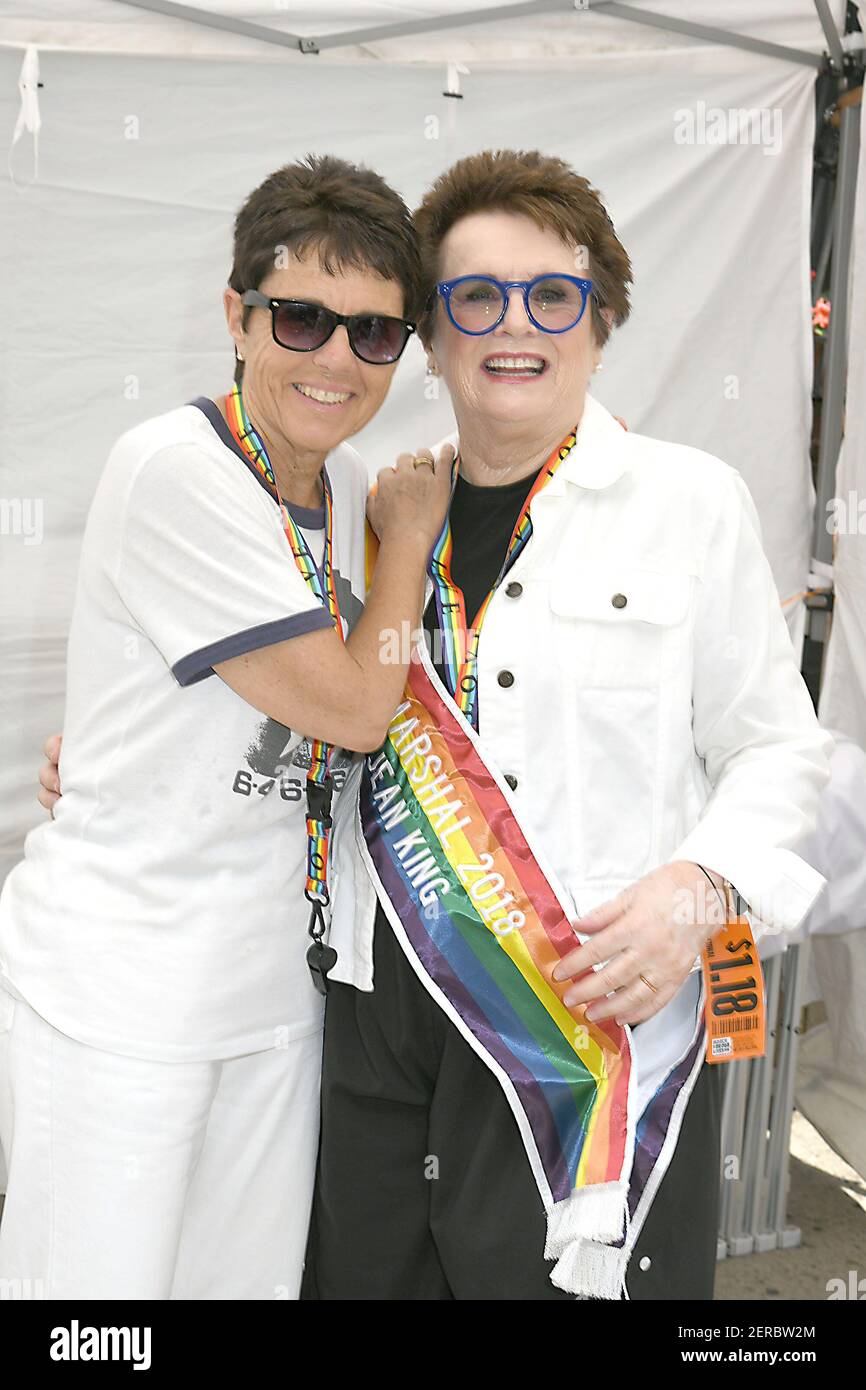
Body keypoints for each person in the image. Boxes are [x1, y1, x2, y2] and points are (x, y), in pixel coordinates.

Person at [299, 149, 834, 1301]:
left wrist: (697, 891)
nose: (515, 326)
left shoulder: (687, 503)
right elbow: (298, 718)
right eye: (474, 296)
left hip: (586, 1036)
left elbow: (783, 756)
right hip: (376, 1031)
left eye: (553, 296)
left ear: (599, 322)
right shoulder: (361, 513)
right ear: (432, 337)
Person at [0, 153, 452, 1300]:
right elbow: (355, 708)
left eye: (373, 334)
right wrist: (405, 544)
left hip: (274, 988)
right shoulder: (174, 468)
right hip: (126, 991)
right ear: (236, 318)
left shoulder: (348, 483)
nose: (334, 358)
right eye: (299, 318)